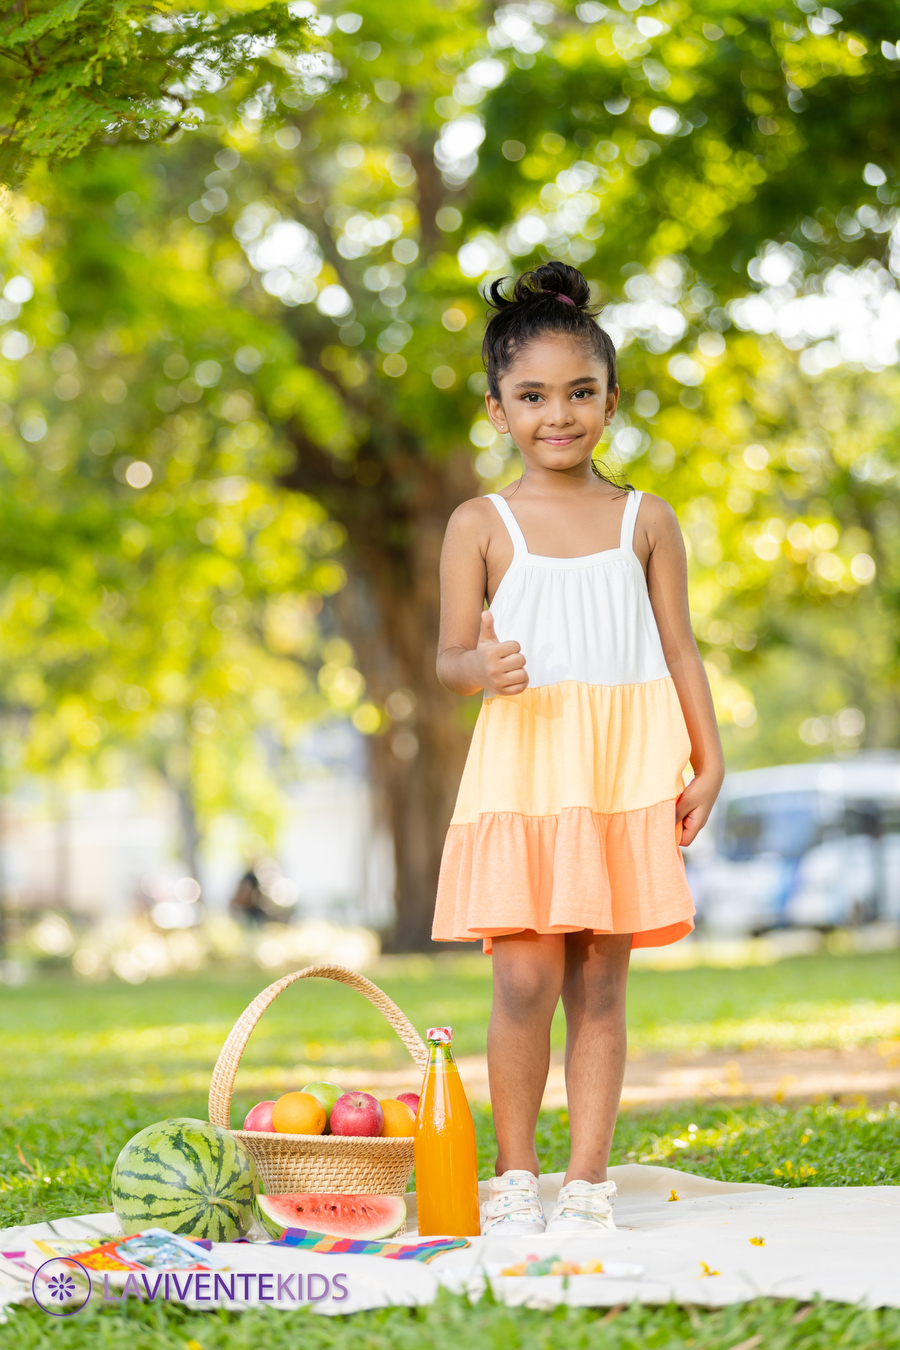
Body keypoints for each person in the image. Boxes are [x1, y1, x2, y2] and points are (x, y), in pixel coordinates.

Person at [431, 261, 724, 1237]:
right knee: (523, 978)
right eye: (533, 396)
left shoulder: (647, 520)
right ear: (498, 407)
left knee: (601, 980)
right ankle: (518, 1177)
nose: (559, 415)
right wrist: (483, 665)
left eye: (580, 393)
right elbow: (446, 658)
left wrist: (707, 757)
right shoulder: (481, 523)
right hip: (523, 771)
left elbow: (679, 646)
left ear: (608, 398)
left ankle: (588, 1183)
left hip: (623, 769)